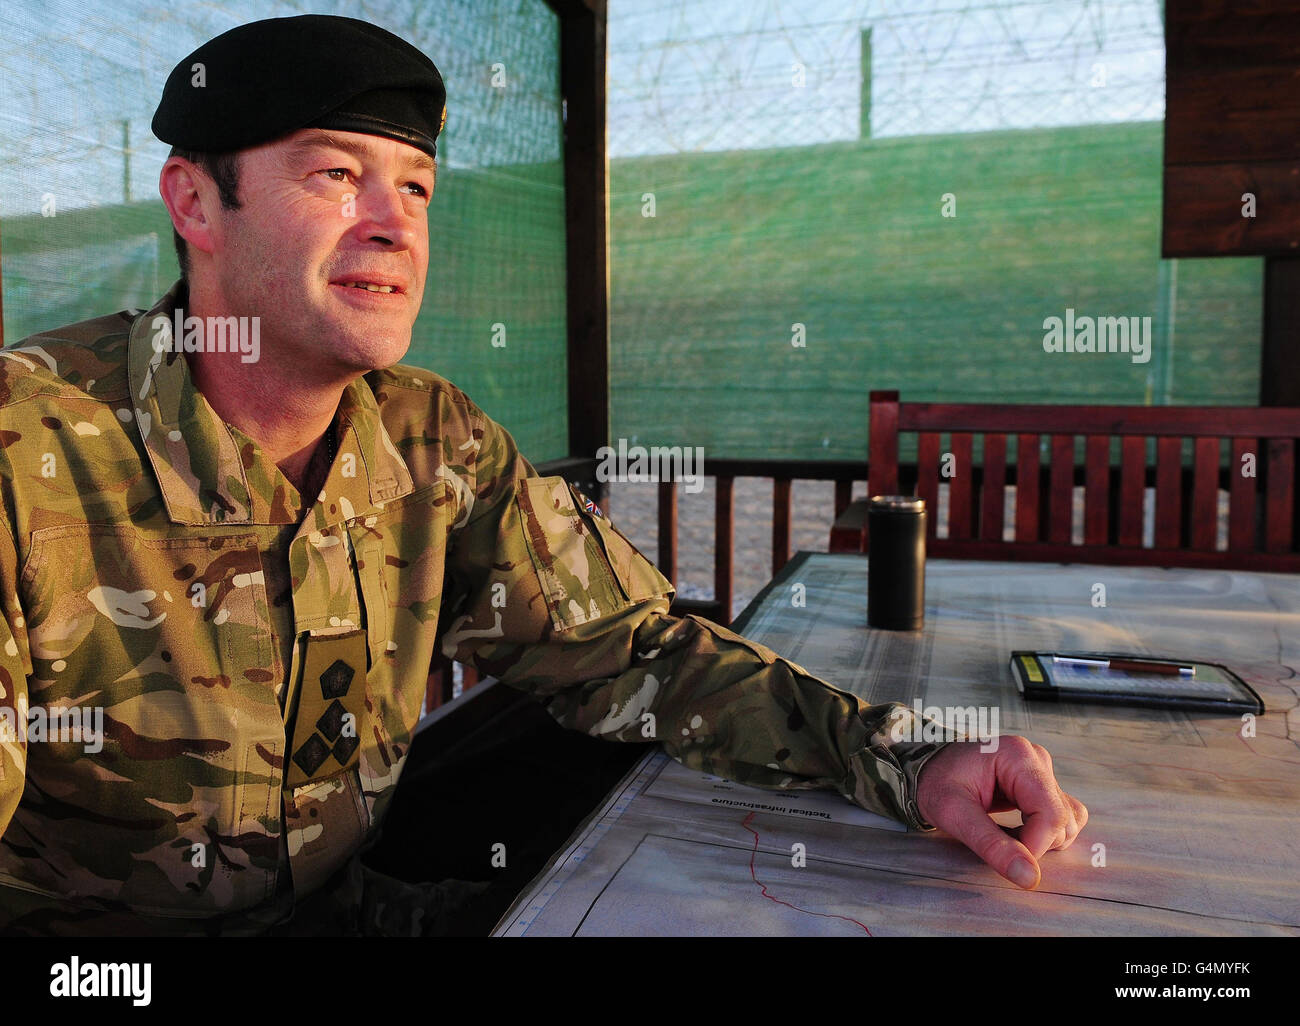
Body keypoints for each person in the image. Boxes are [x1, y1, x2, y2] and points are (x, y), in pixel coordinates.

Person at [0, 14, 1085, 936]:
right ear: (195, 202)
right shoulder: (29, 450)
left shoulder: (429, 439)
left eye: (416, 187)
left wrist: (911, 759)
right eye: (335, 174)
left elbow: (632, 652)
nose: (394, 224)